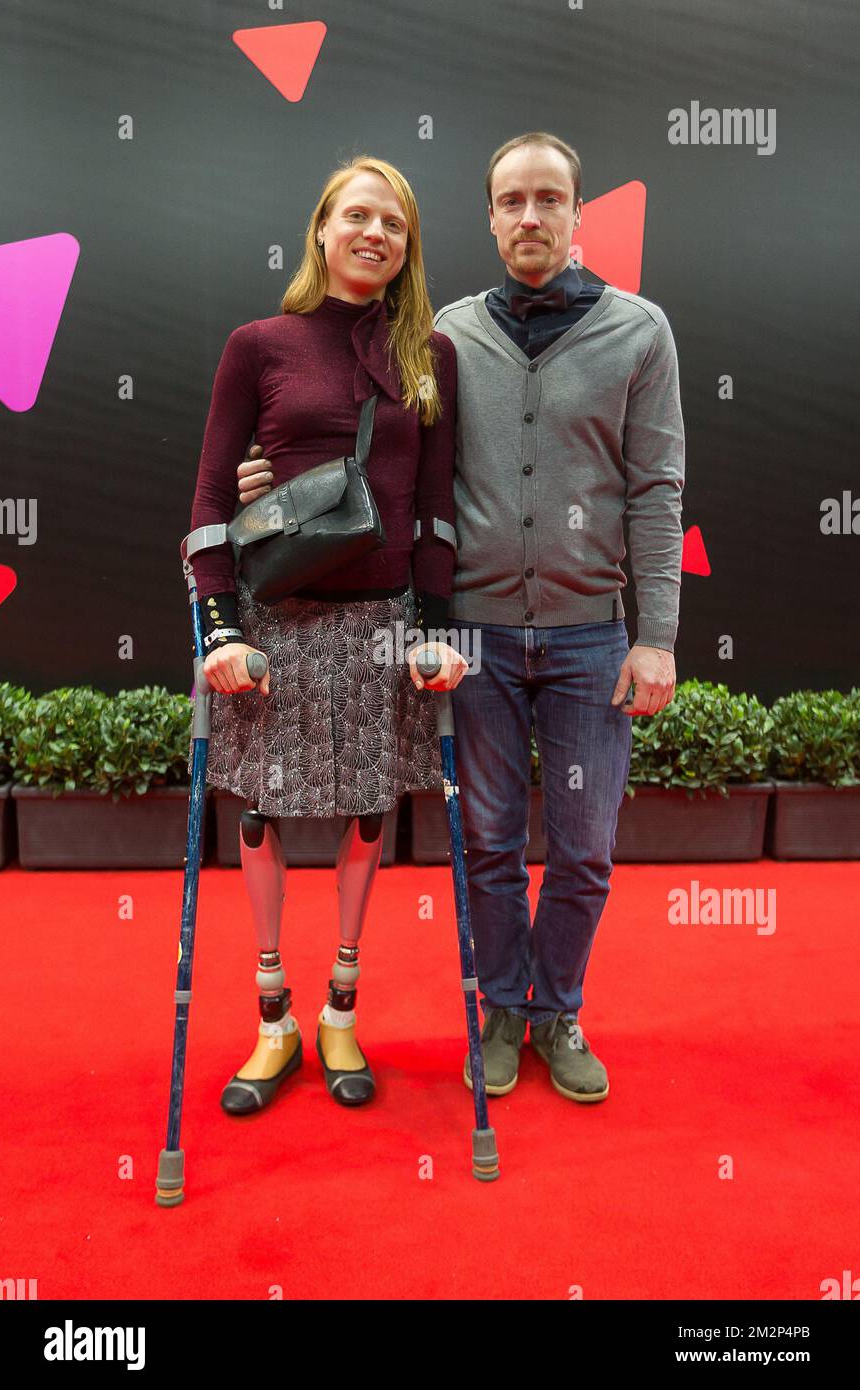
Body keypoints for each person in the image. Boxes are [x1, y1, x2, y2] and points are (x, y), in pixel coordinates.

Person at [237, 132, 686, 1110]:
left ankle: (554, 1009)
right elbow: (382, 466)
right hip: (471, 634)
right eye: (511, 201)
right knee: (483, 841)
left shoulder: (639, 332)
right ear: (488, 217)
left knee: (581, 846)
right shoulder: (438, 336)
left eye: (549, 200)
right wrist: (269, 478)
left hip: (587, 633)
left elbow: (655, 490)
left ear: (576, 214)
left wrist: (655, 636)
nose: (530, 217)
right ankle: (493, 1009)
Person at [187, 156, 467, 1116]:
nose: (374, 234)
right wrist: (218, 627)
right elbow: (213, 500)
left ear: (407, 247)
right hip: (271, 625)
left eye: (394, 224)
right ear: (321, 228)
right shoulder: (257, 344)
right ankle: (274, 1020)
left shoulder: (431, 353)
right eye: (357, 215)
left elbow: (435, 514)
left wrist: (435, 631)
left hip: (382, 625)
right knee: (260, 815)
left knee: (365, 815)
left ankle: (342, 1011)